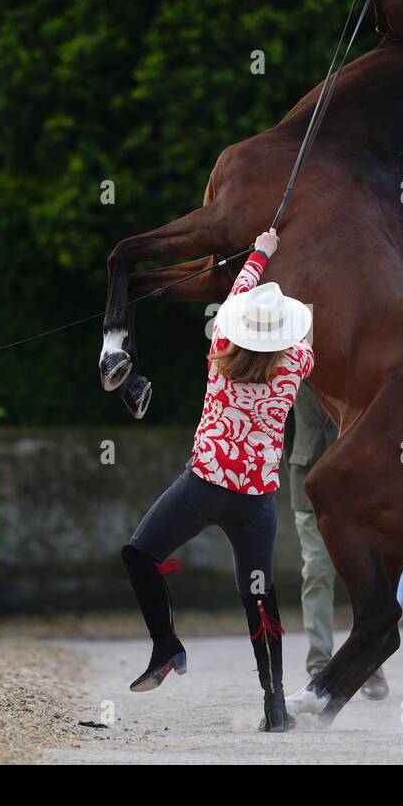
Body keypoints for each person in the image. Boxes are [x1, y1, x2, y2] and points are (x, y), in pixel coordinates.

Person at [121, 228, 314, 733]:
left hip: (202, 487)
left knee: (140, 555)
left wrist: (261, 251)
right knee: (259, 597)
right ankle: (274, 706)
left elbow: (235, 298)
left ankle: (166, 646)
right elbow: (305, 335)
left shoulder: (220, 350)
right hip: (256, 504)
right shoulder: (296, 364)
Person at [284, 387, 390, 699]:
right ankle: (320, 666)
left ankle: (370, 661)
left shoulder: (355, 353)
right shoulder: (290, 355)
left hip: (353, 479)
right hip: (306, 476)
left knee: (367, 574)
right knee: (317, 570)